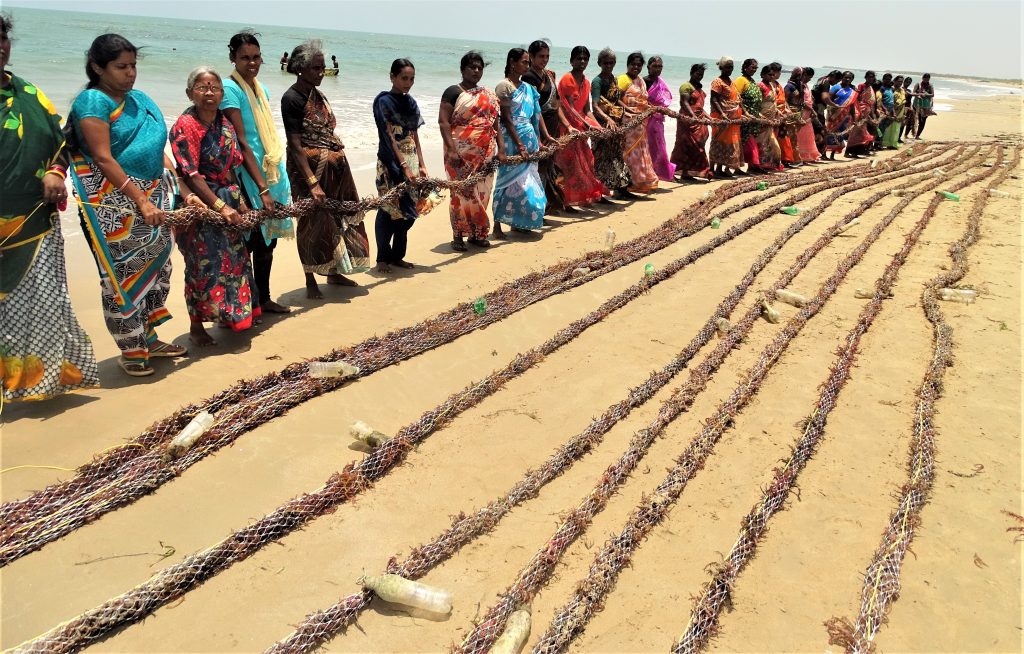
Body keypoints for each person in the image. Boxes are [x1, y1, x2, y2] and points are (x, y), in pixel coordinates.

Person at [68, 33, 186, 377]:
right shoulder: (93, 102)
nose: (130, 73)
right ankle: (131, 349)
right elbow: (103, 158)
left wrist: (178, 185)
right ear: (97, 67)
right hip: (114, 206)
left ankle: (149, 337)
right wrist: (140, 200)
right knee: (121, 277)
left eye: (133, 65)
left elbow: (155, 147)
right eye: (121, 67)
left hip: (155, 197)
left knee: (158, 271)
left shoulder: (140, 99)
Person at [0, 13, 99, 400]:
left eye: (3, 38)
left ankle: (33, 382)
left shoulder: (29, 94)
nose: (0, 47)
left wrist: (57, 173)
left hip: (31, 222)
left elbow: (62, 141)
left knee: (39, 302)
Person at [170, 67, 261, 346]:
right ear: (190, 93)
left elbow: (232, 165)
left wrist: (241, 202)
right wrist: (220, 206)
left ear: (222, 94)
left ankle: (232, 315)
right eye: (202, 87)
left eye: (215, 88)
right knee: (203, 265)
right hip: (199, 204)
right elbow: (192, 175)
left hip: (229, 201)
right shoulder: (185, 126)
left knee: (234, 261)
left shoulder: (225, 122)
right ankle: (197, 326)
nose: (209, 93)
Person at [281, 40, 369, 297]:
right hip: (307, 170)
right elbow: (295, 144)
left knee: (336, 217)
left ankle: (334, 271)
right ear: (299, 68)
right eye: (315, 68)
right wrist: (312, 182)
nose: (321, 73)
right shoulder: (292, 98)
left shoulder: (318, 96)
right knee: (310, 220)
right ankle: (310, 279)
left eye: (322, 68)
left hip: (334, 169)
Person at [222, 31, 292, 315]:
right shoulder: (230, 89)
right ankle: (245, 306)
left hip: (270, 170)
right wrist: (261, 188)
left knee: (269, 241)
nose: (252, 63)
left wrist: (270, 183)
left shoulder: (260, 88)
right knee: (249, 244)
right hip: (247, 175)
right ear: (233, 58)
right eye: (245, 58)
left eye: (256, 57)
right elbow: (240, 141)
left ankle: (263, 299)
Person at [438, 50, 502, 252]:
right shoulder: (453, 91)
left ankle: (477, 234)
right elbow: (443, 121)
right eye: (472, 67)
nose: (476, 71)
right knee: (460, 193)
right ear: (462, 69)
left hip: (486, 153)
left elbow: (496, 124)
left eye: (479, 68)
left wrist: (502, 148)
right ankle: (457, 235)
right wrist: (451, 149)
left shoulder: (489, 95)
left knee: (483, 192)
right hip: (459, 152)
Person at [373, 58, 431, 271]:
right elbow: (387, 135)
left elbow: (415, 135)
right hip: (390, 162)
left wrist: (421, 165)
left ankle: (397, 255)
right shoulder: (383, 101)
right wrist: (403, 165)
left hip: (412, 160)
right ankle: (382, 258)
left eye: (412, 79)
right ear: (392, 77)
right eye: (404, 78)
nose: (408, 83)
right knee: (388, 209)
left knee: (408, 212)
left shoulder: (410, 102)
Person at [493, 48, 547, 236]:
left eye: (527, 62)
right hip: (510, 141)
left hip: (529, 140)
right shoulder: (504, 86)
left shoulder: (530, 89)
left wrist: (541, 139)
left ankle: (518, 222)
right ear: (512, 62)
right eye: (524, 62)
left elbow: (536, 116)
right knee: (505, 182)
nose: (527, 65)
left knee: (529, 187)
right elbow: (506, 119)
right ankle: (497, 225)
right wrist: (520, 145)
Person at [554, 45, 608, 206]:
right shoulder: (567, 79)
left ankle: (579, 197)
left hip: (581, 130)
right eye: (579, 58)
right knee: (568, 165)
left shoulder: (586, 82)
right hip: (567, 128)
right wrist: (587, 125)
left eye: (585, 59)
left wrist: (598, 126)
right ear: (572, 61)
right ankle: (564, 201)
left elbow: (587, 110)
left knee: (587, 162)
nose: (582, 61)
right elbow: (569, 108)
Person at [522, 40, 569, 214]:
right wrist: (542, 134)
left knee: (548, 166)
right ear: (531, 56)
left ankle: (544, 207)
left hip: (552, 126)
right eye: (541, 56)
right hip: (538, 128)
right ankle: (534, 209)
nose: (544, 60)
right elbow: (534, 109)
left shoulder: (549, 75)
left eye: (547, 56)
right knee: (536, 169)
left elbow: (557, 104)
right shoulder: (528, 77)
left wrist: (567, 125)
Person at [591, 48, 634, 198]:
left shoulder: (614, 79)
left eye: (611, 62)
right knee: (601, 158)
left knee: (617, 155)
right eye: (605, 63)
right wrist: (607, 118)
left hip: (616, 123)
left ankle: (620, 189)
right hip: (603, 125)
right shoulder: (597, 81)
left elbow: (616, 101)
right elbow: (595, 106)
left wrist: (629, 112)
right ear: (599, 63)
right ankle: (599, 193)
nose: (608, 65)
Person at [671, 62, 712, 180]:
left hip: (699, 121)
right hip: (687, 121)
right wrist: (693, 116)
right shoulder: (686, 86)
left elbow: (700, 108)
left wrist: (709, 118)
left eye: (702, 74)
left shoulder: (699, 89)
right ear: (692, 73)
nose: (700, 76)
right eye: (698, 74)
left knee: (698, 145)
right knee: (683, 146)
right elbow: (684, 103)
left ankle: (689, 173)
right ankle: (676, 171)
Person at [708, 56, 744, 177]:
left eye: (732, 67)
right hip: (720, 116)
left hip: (732, 117)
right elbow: (714, 100)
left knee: (728, 142)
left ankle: (721, 168)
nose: (730, 69)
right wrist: (723, 114)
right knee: (717, 140)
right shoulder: (717, 82)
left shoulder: (731, 82)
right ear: (721, 68)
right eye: (728, 67)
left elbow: (736, 99)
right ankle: (712, 168)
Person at [642, 56, 676, 182]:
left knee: (660, 148)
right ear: (648, 67)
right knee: (646, 148)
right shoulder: (643, 81)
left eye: (660, 66)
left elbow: (665, 99)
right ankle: (647, 175)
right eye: (655, 66)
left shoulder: (661, 84)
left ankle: (660, 173)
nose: (658, 69)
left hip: (657, 120)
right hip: (645, 119)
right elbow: (640, 99)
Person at [734, 58, 765, 172]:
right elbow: (736, 98)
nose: (754, 70)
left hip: (753, 119)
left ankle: (752, 166)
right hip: (744, 119)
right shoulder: (741, 80)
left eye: (756, 68)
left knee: (747, 144)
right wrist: (745, 113)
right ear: (745, 67)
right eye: (752, 67)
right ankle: (749, 166)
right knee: (746, 144)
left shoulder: (751, 81)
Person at [754, 64, 783, 171]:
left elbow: (774, 102)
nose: (771, 77)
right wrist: (762, 118)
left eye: (772, 75)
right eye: (769, 74)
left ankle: (767, 165)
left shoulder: (772, 86)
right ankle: (758, 166)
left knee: (771, 145)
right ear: (762, 74)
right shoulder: (760, 86)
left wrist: (778, 114)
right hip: (762, 118)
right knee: (761, 143)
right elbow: (756, 104)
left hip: (771, 120)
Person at [845, 70, 877, 157]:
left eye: (872, 77)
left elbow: (871, 103)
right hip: (859, 111)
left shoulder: (871, 88)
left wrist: (871, 116)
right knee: (855, 132)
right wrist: (859, 111)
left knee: (860, 133)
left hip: (866, 112)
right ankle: (847, 152)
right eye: (869, 77)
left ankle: (855, 152)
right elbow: (857, 99)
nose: (871, 78)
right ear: (865, 77)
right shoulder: (862, 86)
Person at [825, 71, 856, 160]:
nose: (847, 79)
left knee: (839, 135)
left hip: (844, 116)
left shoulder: (851, 91)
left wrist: (854, 118)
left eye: (850, 78)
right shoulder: (836, 87)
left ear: (852, 79)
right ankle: (824, 154)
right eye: (846, 77)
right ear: (842, 77)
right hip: (834, 114)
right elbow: (829, 100)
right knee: (829, 133)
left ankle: (833, 154)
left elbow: (852, 105)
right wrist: (830, 114)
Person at [813, 70, 842, 156]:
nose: (836, 83)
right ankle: (818, 153)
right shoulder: (826, 83)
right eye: (836, 80)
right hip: (818, 108)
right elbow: (825, 97)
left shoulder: (821, 79)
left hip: (813, 106)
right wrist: (834, 105)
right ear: (833, 77)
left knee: (815, 129)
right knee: (821, 130)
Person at [795, 67, 820, 162]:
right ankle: (800, 155)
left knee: (807, 134)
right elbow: (802, 101)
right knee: (800, 134)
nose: (809, 79)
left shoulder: (805, 85)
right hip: (802, 112)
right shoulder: (799, 85)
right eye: (808, 76)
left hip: (808, 113)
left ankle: (808, 155)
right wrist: (812, 110)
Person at [880, 74, 902, 149]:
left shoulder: (891, 89)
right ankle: (877, 144)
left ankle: (881, 143)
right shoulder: (881, 88)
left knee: (884, 127)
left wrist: (893, 112)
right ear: (883, 79)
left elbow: (891, 101)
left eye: (889, 79)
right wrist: (884, 109)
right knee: (880, 127)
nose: (888, 80)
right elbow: (880, 100)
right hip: (882, 111)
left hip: (890, 110)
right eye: (886, 79)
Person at [913, 73, 935, 138]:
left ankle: (917, 135)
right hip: (917, 105)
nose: (927, 79)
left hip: (926, 106)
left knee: (923, 121)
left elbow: (932, 94)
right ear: (922, 78)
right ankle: (910, 134)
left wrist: (926, 94)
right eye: (925, 78)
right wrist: (919, 94)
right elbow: (913, 93)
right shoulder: (918, 84)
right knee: (915, 120)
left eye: (928, 78)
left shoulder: (930, 85)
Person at [900, 76, 917, 142]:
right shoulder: (901, 89)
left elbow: (910, 100)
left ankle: (900, 138)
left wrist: (911, 107)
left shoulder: (909, 90)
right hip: (902, 108)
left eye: (909, 82)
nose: (908, 83)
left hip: (908, 109)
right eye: (907, 82)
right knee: (900, 124)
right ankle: (897, 138)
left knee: (904, 124)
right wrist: (919, 94)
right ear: (904, 82)